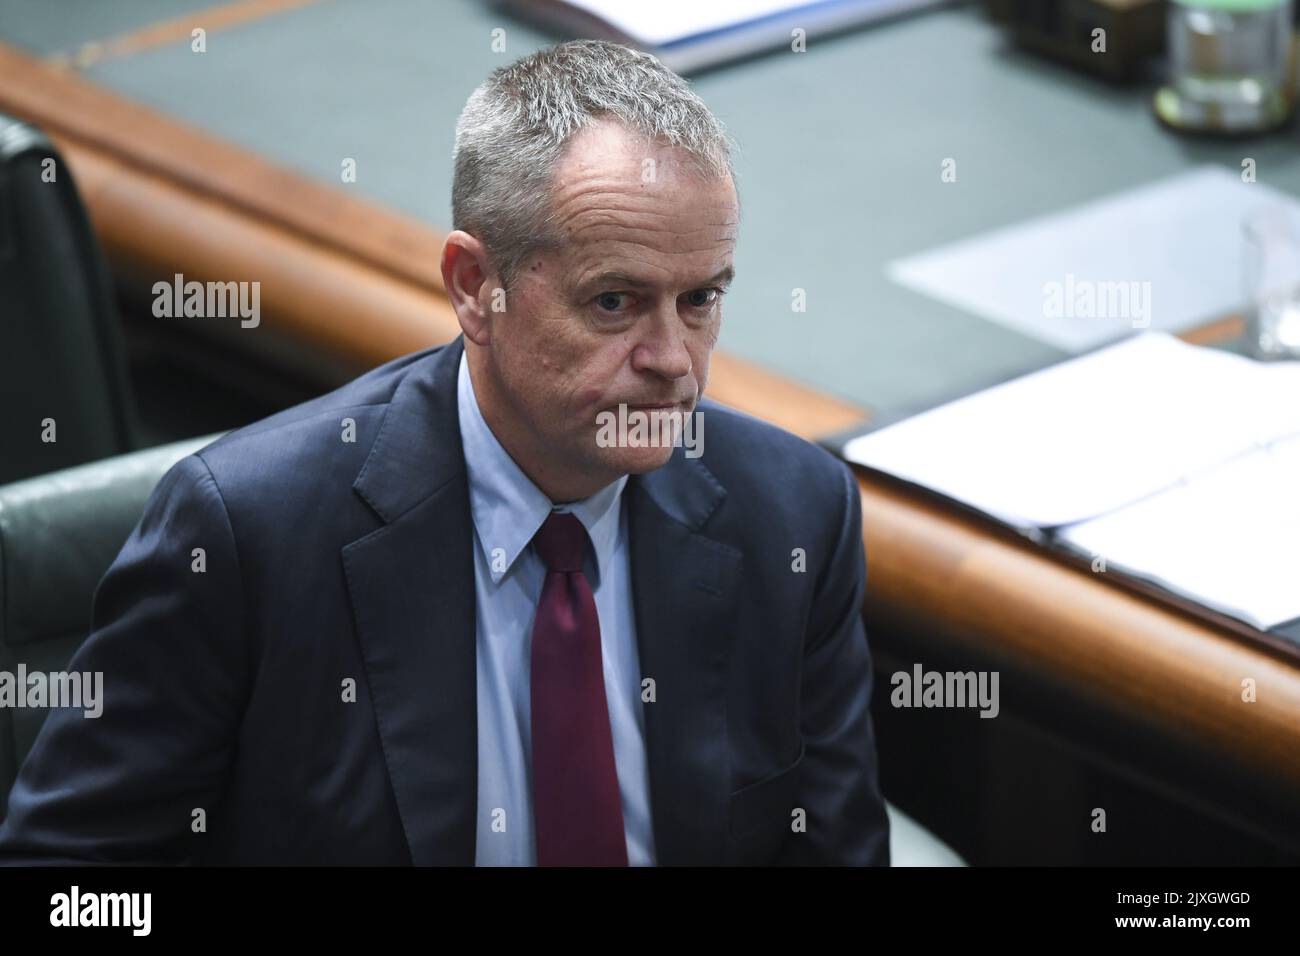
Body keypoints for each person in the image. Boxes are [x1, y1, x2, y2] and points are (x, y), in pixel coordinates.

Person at [0, 39, 889, 866]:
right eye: (614, 302)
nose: (670, 361)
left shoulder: (792, 514)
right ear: (475, 287)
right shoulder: (248, 538)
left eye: (699, 299)